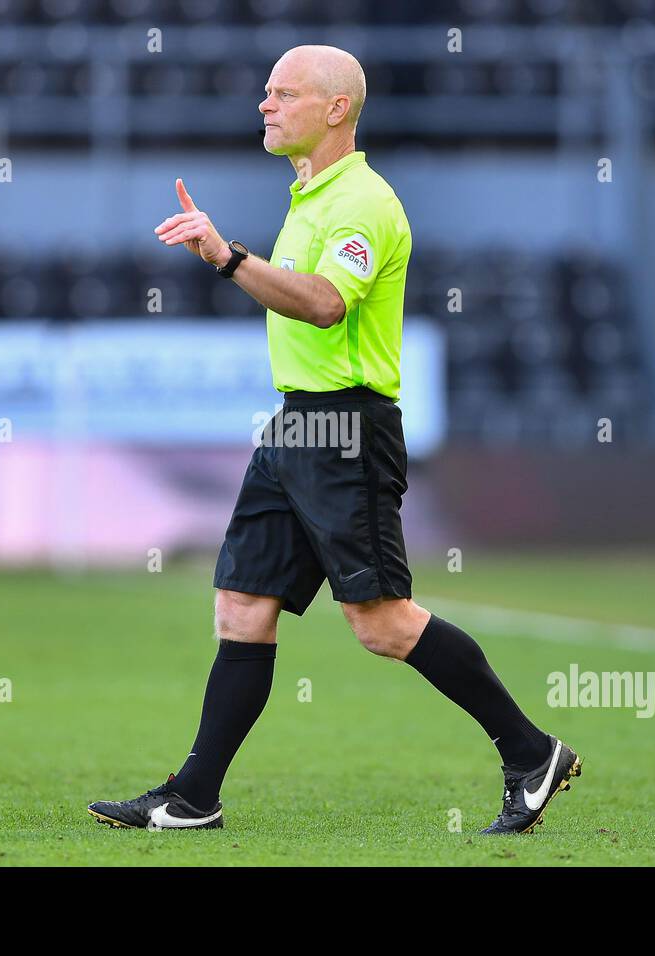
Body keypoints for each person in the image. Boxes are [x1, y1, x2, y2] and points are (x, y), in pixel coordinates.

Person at [88, 45, 580, 835]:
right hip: (297, 423)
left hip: (346, 428)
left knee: (381, 624)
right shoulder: (310, 194)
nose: (264, 104)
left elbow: (323, 305)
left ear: (336, 109)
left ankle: (530, 752)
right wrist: (236, 258)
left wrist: (227, 256)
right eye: (266, 92)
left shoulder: (363, 202)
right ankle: (193, 798)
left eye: (282, 93)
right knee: (243, 604)